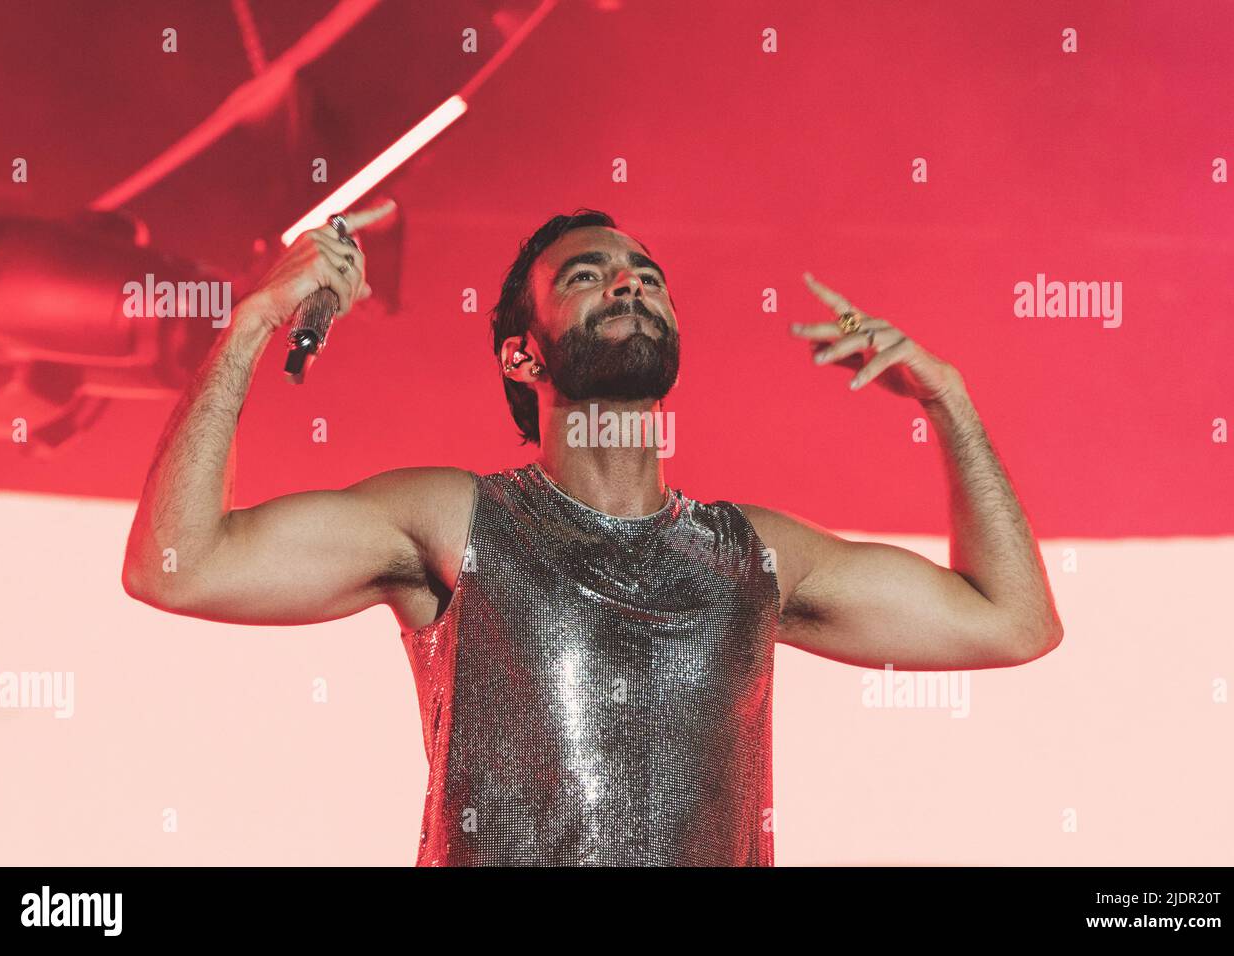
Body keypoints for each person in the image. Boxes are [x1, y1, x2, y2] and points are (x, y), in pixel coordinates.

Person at [122, 201, 1063, 866]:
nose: (628, 283)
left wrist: (949, 402)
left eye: (646, 277)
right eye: (589, 276)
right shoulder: (457, 523)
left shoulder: (752, 558)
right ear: (521, 352)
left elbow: (1013, 621)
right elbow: (179, 567)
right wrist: (251, 324)